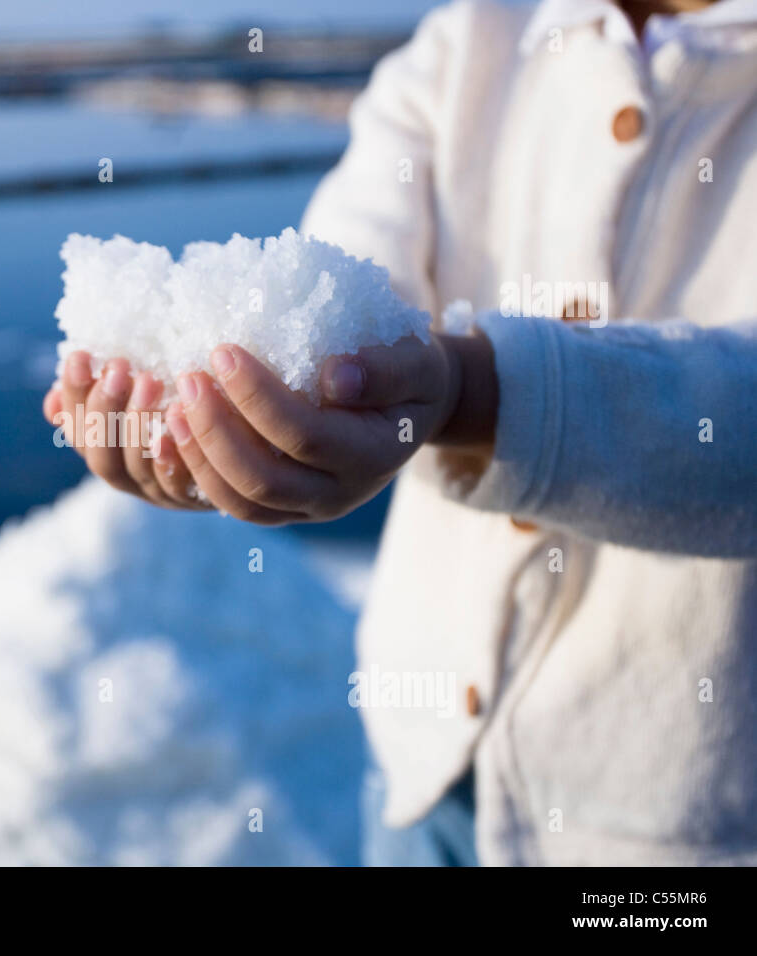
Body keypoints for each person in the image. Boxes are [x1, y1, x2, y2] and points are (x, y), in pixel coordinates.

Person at [43, 0, 757, 865]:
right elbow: (341, 272)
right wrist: (260, 410)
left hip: (678, 825)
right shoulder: (471, 44)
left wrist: (472, 389)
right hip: (419, 772)